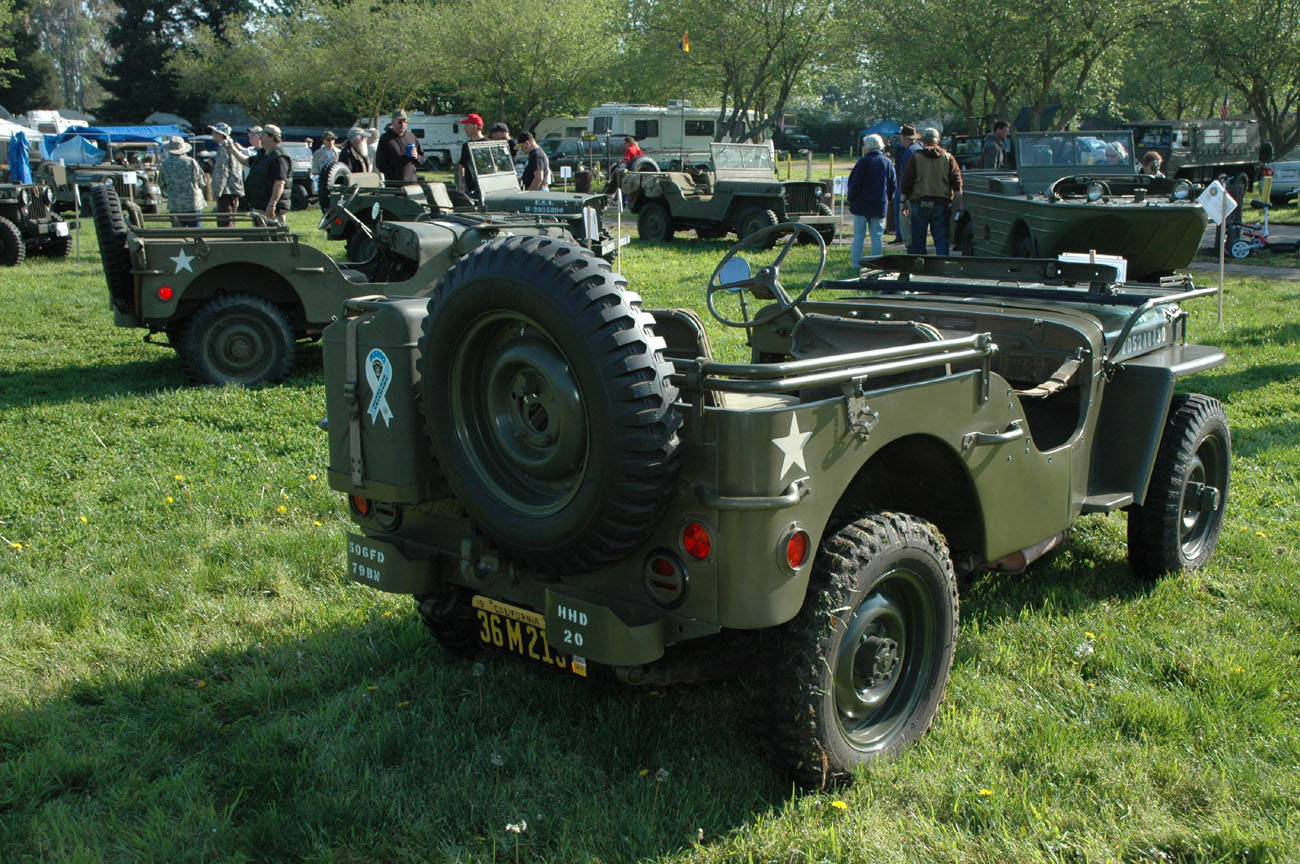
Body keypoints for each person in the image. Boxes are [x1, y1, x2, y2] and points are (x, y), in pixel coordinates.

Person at [900, 127, 963, 255]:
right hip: (941, 203)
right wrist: (960, 204)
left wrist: (903, 202)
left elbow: (907, 182)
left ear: (923, 141)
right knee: (941, 238)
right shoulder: (948, 158)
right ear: (938, 140)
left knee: (918, 239)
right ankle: (942, 263)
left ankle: (920, 264)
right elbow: (956, 183)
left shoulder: (915, 157)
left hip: (919, 202)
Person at [846, 134, 896, 267]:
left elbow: (854, 184)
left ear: (868, 146)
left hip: (861, 205)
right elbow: (893, 184)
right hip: (879, 204)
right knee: (877, 237)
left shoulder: (863, 162)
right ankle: (876, 265)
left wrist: (850, 198)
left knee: (858, 237)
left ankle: (856, 264)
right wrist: (887, 199)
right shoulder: (887, 162)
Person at [244, 123, 292, 223]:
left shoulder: (279, 157)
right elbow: (246, 161)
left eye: (263, 135)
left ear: (271, 137)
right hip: (260, 206)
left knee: (274, 232)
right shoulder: (263, 154)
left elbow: (279, 183)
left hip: (272, 209)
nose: (260, 137)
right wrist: (232, 149)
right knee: (259, 233)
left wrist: (272, 204)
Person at [158, 136, 207, 227]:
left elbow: (161, 184)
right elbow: (202, 181)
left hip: (175, 204)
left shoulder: (165, 164)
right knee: (195, 232)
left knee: (178, 233)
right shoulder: (191, 162)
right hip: (193, 203)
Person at [209, 122, 246, 227]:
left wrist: (217, 192)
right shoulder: (230, 145)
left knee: (225, 224)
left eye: (214, 132)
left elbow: (222, 171)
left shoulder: (224, 147)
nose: (212, 134)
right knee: (229, 221)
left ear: (221, 134)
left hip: (227, 191)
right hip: (231, 189)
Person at [377, 110, 423, 184]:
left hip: (412, 182)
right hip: (394, 184)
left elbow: (422, 157)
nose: (403, 124)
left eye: (405, 122)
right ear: (392, 122)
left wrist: (416, 156)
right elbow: (380, 163)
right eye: (400, 122)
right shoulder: (385, 139)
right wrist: (393, 174)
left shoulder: (411, 137)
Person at [893, 124, 921, 246]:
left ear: (904, 137)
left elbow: (905, 175)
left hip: (909, 193)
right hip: (920, 191)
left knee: (905, 219)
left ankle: (909, 245)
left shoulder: (909, 152)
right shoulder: (919, 147)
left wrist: (903, 197)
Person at [457, 113, 486, 197]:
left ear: (475, 126)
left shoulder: (487, 143)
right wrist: (461, 182)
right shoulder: (466, 145)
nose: (464, 128)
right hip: (470, 188)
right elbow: (461, 165)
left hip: (484, 187)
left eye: (467, 125)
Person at [312, 131, 339, 211]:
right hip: (323, 180)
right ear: (323, 141)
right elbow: (315, 168)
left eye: (332, 139)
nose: (331, 142)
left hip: (335, 180)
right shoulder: (318, 153)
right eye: (328, 140)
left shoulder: (338, 152)